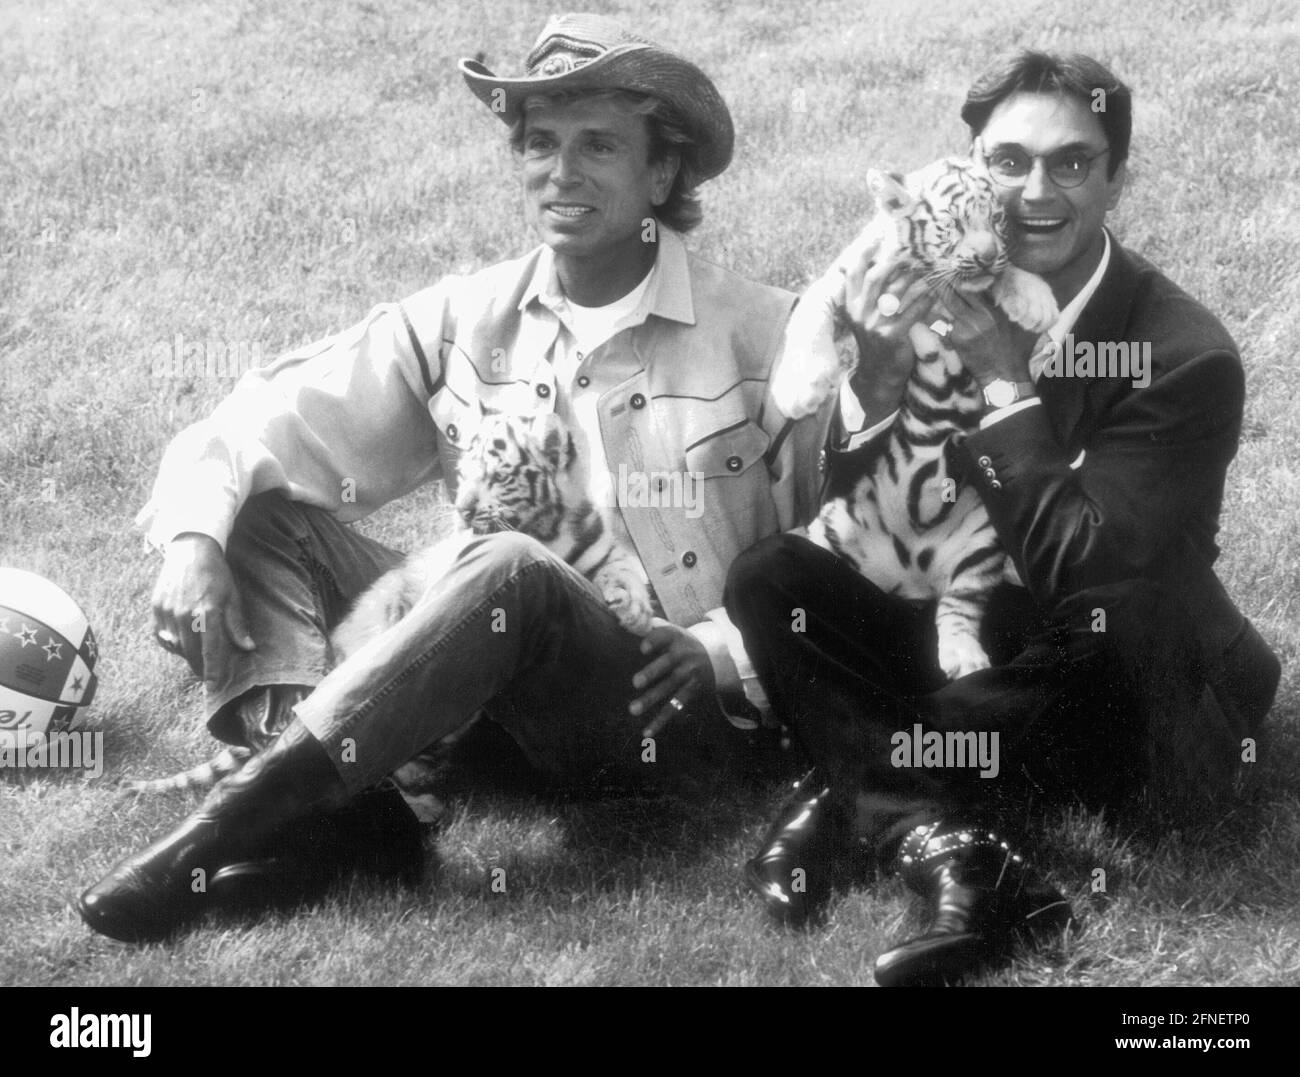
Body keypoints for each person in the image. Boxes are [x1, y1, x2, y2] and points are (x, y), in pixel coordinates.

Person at [76, 13, 840, 944]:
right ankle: (360, 821)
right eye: (540, 144)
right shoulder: (463, 317)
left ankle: (225, 827)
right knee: (250, 505)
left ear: (663, 175)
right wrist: (195, 538)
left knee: (506, 565)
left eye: (598, 144)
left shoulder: (770, 334)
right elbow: (256, 420)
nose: (561, 171)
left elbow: (846, 553)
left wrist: (724, 649)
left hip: (654, 709)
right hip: (474, 685)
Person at [725, 50, 1281, 987]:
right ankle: (958, 849)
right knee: (769, 577)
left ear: (1116, 179)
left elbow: (1090, 564)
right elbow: (858, 500)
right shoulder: (931, 270)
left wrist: (1003, 381)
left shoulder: (1181, 353)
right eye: (1008, 161)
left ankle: (845, 780)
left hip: (1119, 668)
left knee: (1117, 612)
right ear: (971, 167)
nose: (1034, 192)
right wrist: (878, 381)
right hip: (967, 623)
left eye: (1071, 162)